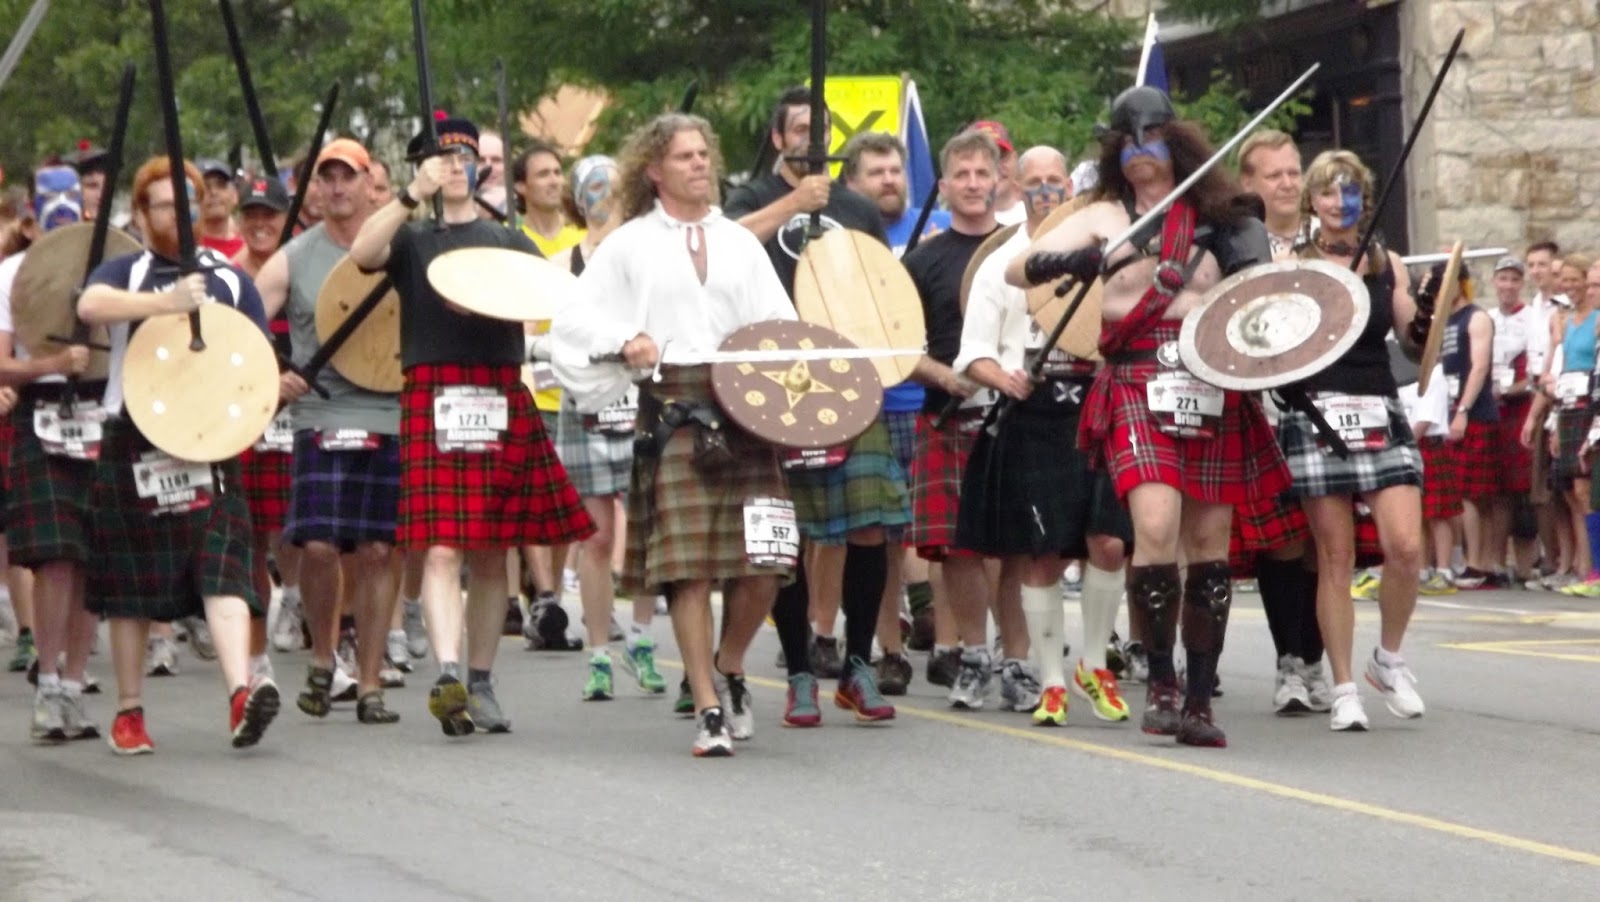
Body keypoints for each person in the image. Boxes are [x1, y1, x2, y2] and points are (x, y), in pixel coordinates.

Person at [1006, 86, 1287, 747]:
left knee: (1210, 544)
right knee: (1154, 525)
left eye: (1151, 138)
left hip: (1213, 376)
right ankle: (1159, 681)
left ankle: (1197, 697)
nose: (1139, 151)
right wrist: (1068, 259)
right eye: (1127, 141)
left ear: (1177, 140)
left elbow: (1270, 294)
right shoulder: (1102, 215)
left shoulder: (1222, 215)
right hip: (1135, 377)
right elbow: (1018, 269)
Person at [552, 112, 797, 757]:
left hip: (744, 406)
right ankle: (709, 708)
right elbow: (571, 323)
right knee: (687, 572)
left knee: (767, 563)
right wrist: (623, 341)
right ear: (655, 170)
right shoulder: (628, 244)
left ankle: (732, 664)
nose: (699, 164)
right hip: (673, 410)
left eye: (703, 154)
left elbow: (781, 321)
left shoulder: (742, 243)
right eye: (685, 156)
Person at [349, 115, 594, 737]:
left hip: (499, 388)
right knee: (438, 544)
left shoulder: (507, 241)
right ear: (422, 169)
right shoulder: (410, 238)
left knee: (491, 551)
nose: (451, 165)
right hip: (434, 390)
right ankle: (447, 673)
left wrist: (493, 297)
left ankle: (481, 682)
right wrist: (409, 196)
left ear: (477, 167)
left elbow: (557, 300)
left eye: (460, 156)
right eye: (438, 158)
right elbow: (362, 254)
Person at [77, 156, 282, 755]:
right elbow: (89, 307)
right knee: (129, 585)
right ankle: (129, 711)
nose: (179, 214)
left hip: (212, 437)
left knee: (224, 568)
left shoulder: (227, 276)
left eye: (186, 202)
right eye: (165, 205)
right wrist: (165, 303)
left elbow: (255, 357)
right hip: (135, 432)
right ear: (141, 213)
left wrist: (249, 419)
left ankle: (241, 694)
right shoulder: (127, 270)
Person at [724, 86, 909, 728]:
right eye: (801, 129)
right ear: (779, 139)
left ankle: (857, 665)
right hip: (774, 379)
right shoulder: (748, 199)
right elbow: (722, 251)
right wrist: (792, 206)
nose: (813, 140)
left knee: (867, 528)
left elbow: (883, 291)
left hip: (850, 377)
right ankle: (800, 668)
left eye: (822, 130)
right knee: (789, 534)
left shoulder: (857, 208)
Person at [955, 144, 1133, 725]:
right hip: (1032, 411)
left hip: (1098, 403)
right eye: (1034, 181)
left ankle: (1094, 664)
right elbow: (973, 353)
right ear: (1016, 183)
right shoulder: (1001, 263)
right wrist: (1001, 378)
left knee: (1109, 541)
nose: (1046, 190)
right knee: (1043, 552)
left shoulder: (1103, 247)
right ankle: (1051, 681)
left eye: (1056, 179)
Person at [1276, 150, 1428, 732]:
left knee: (1406, 546)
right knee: (1334, 557)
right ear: (1313, 201)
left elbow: (1415, 345)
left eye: (1352, 192)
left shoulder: (1389, 261)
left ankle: (1388, 660)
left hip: (1378, 404)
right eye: (1330, 192)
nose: (1342, 202)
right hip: (1317, 410)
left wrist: (1427, 316)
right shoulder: (1293, 263)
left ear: (1365, 198)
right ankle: (1342, 687)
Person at [256, 137, 405, 723]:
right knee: (317, 544)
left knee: (376, 549)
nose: (338, 188)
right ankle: (323, 658)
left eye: (349, 177)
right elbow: (242, 316)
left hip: (388, 409)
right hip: (320, 410)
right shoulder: (294, 258)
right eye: (327, 178)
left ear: (372, 184)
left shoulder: (401, 249)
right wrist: (277, 371)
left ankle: (369, 682)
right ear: (315, 189)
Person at [538, 154, 667, 700]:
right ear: (577, 196)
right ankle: (597, 652)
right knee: (595, 536)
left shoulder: (645, 251)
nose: (605, 195)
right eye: (593, 186)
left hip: (642, 400)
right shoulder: (563, 261)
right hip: (585, 404)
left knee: (647, 527)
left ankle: (640, 639)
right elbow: (537, 330)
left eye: (614, 185)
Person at [1231, 127, 1330, 715]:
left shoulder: (1332, 238)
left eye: (1294, 171)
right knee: (1280, 542)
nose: (1289, 183)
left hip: (1326, 401)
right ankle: (1288, 662)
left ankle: (1317, 659)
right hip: (1265, 401)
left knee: (1325, 538)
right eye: (1275, 174)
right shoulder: (1238, 244)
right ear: (1250, 184)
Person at [901, 131, 1003, 702]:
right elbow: (895, 345)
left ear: (997, 182)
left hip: (1014, 416)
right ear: (944, 187)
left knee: (1013, 549)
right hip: (947, 414)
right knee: (959, 550)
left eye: (981, 174)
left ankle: (1017, 660)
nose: (971, 184)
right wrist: (942, 375)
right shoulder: (922, 261)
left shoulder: (1018, 256)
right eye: (961, 175)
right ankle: (973, 654)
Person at [838, 129, 943, 686]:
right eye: (876, 172)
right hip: (870, 403)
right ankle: (890, 649)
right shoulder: (843, 238)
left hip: (930, 401)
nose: (889, 181)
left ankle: (950, 643)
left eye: (895, 170)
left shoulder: (938, 229)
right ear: (853, 182)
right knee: (878, 532)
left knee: (937, 529)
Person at [0, 162, 99, 741]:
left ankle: (76, 683)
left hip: (99, 414)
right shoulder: (10, 275)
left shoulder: (110, 268)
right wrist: (52, 366)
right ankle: (48, 683)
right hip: (41, 415)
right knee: (55, 557)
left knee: (94, 556)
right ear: (33, 218)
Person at [1523, 255, 1596, 592]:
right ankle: (1582, 566)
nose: (1571, 287)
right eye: (1564, 281)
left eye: (1576, 280)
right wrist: (1551, 419)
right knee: (1569, 493)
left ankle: (1591, 568)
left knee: (1585, 490)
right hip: (1566, 406)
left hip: (1589, 405)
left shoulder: (1597, 321)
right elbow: (1560, 370)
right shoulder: (1566, 321)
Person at [1441, 266, 1500, 589]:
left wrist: (1463, 409)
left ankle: (1477, 562)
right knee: (1466, 493)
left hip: (1474, 413)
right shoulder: (1444, 321)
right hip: (1451, 411)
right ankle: (1481, 561)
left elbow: (1479, 367)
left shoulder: (1475, 317)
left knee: (1471, 494)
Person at [1485, 256, 1540, 586]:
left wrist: (1509, 390)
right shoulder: (1487, 318)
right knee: (1496, 491)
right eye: (1502, 278)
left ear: (1521, 284)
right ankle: (1495, 560)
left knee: (1524, 491)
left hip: (1519, 408)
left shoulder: (1531, 318)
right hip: (1492, 411)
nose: (1507, 286)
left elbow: (1534, 368)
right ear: (1494, 282)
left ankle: (1527, 562)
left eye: (1514, 280)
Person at [231, 176, 289, 278]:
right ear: (240, 221)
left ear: (286, 218)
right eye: (251, 215)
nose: (259, 223)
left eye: (268, 215)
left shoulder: (300, 268)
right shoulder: (231, 274)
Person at [196, 159, 244, 259]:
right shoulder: (184, 249)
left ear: (235, 195)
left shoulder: (252, 246)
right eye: (205, 187)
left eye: (221, 185)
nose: (213, 192)